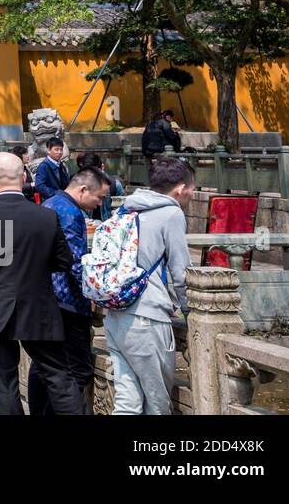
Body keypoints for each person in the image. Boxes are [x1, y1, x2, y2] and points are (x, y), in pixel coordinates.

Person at [0, 151, 85, 415]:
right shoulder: (45, 216)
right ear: (24, 177)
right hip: (38, 308)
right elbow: (63, 261)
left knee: (3, 381)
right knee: (59, 375)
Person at [104, 157, 194, 415]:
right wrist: (190, 313)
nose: (191, 194)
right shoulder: (172, 213)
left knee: (127, 404)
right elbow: (181, 272)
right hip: (148, 318)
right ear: (180, 188)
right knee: (157, 405)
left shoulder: (127, 208)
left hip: (116, 316)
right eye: (191, 188)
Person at [29, 167, 109, 414]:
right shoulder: (70, 213)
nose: (99, 204)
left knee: (44, 366)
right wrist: (96, 293)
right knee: (77, 368)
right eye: (99, 197)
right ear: (83, 189)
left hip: (42, 297)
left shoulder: (49, 205)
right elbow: (75, 262)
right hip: (67, 301)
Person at [76, 151, 124, 219]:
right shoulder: (78, 185)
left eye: (94, 171)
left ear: (102, 167)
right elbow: (76, 206)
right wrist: (87, 221)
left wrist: (112, 219)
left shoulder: (115, 184)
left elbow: (121, 208)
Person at [34, 136, 70, 201]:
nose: (59, 152)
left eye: (61, 149)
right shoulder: (44, 166)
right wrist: (55, 194)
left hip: (62, 199)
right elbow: (39, 186)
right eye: (56, 149)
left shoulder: (61, 164)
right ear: (49, 150)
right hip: (50, 201)